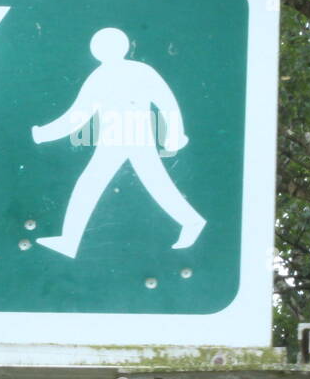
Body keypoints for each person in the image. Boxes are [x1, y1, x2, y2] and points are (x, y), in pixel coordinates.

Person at [31, 27, 206, 258]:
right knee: (146, 184)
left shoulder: (111, 75)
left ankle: (69, 241)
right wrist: (175, 135)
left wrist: (43, 134)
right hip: (118, 140)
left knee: (102, 184)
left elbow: (78, 116)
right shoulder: (125, 73)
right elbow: (79, 115)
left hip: (127, 139)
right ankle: (69, 241)